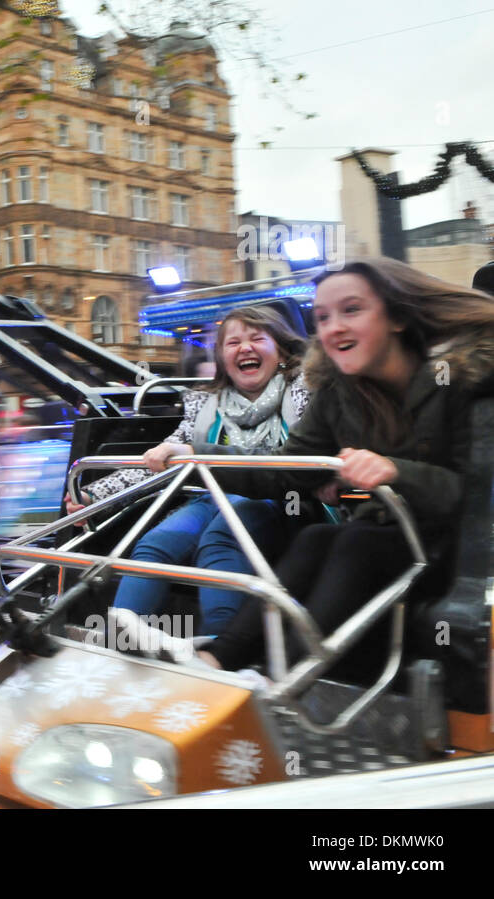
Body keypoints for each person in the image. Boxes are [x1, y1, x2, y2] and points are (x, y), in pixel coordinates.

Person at [135, 258, 494, 680]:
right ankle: (219, 660)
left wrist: (395, 471)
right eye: (322, 317)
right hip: (393, 532)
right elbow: (288, 469)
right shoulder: (338, 390)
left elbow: (475, 496)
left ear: (397, 317)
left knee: (356, 539)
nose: (334, 328)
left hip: (465, 551)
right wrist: (196, 455)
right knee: (316, 537)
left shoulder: (463, 380)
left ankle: (283, 676)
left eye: (351, 310)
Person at [69, 306, 310, 637]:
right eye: (233, 342)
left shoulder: (303, 391)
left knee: (221, 540)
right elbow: (160, 462)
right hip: (213, 496)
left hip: (282, 498)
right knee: (155, 544)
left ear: (281, 351)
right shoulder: (205, 405)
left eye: (256, 339)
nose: (244, 348)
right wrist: (95, 497)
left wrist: (201, 456)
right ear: (222, 358)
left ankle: (217, 652)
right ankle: (118, 640)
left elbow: (296, 461)